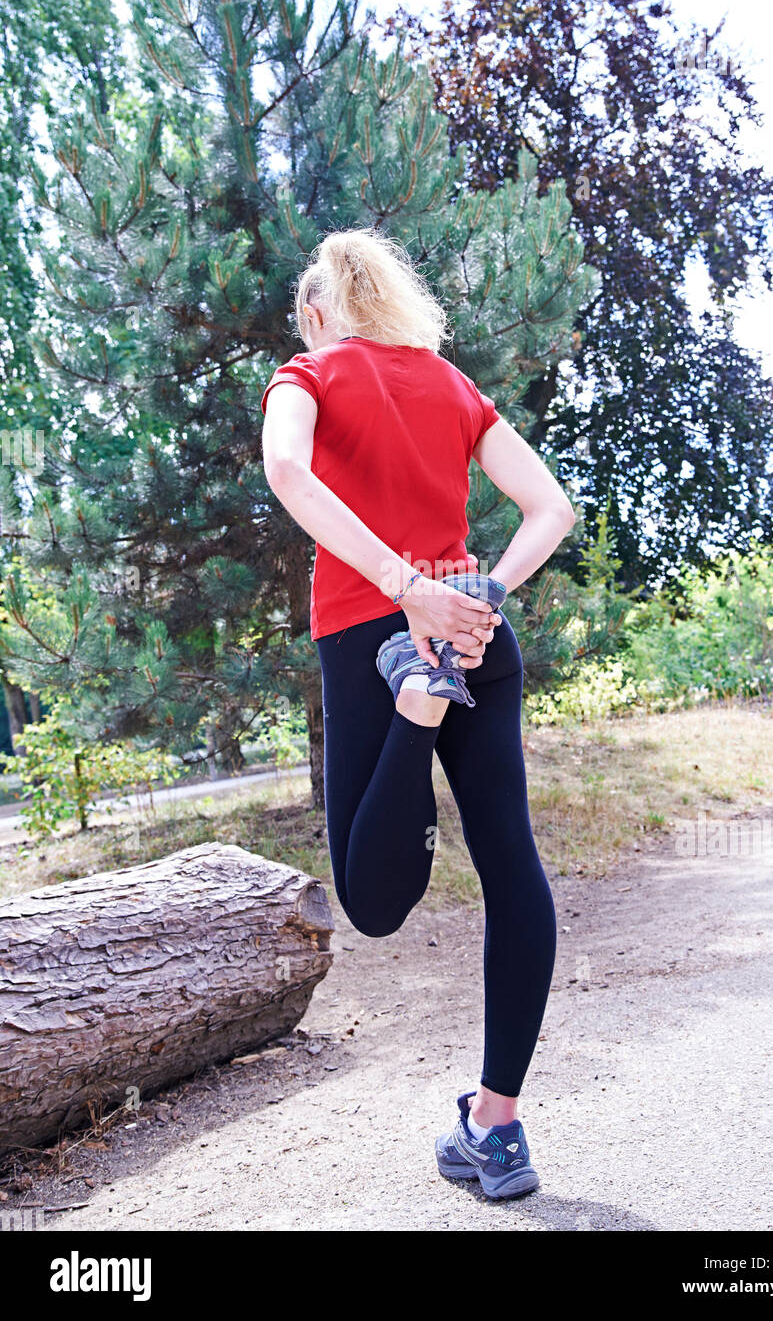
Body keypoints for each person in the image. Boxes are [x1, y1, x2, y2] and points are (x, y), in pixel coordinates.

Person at [261, 227, 576, 1199]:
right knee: (512, 862)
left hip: (374, 633)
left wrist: (406, 592)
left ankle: (415, 706)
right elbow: (550, 509)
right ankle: (499, 1126)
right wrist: (473, 597)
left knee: (371, 900)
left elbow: (287, 472)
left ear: (318, 312)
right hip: (478, 630)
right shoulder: (448, 384)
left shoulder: (305, 375)